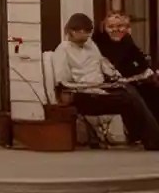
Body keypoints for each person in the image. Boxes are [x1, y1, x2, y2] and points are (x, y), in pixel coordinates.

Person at [53, 13, 159, 150]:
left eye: (88, 31)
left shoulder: (91, 46)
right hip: (81, 93)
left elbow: (103, 64)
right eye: (81, 31)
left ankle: (142, 137)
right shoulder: (63, 50)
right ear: (71, 31)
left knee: (130, 90)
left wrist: (115, 77)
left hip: (100, 90)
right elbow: (63, 82)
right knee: (128, 97)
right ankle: (153, 140)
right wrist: (93, 86)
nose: (85, 35)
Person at [93, 11, 159, 133]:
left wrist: (146, 74)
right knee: (133, 95)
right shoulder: (98, 42)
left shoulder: (127, 40)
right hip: (109, 81)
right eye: (111, 27)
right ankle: (146, 134)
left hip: (128, 78)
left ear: (127, 28)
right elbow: (111, 65)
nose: (115, 30)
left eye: (120, 26)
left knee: (153, 89)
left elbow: (141, 61)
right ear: (104, 28)